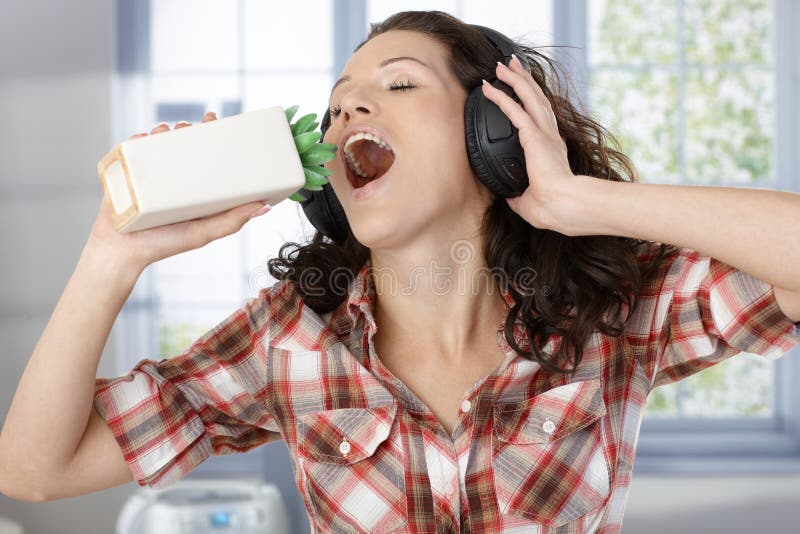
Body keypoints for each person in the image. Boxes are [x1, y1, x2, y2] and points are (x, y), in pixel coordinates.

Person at [2, 9, 800, 533]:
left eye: (397, 85)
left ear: (495, 132)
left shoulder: (613, 312)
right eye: (340, 101)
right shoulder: (289, 341)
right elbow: (34, 469)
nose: (349, 111)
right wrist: (116, 253)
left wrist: (581, 201)